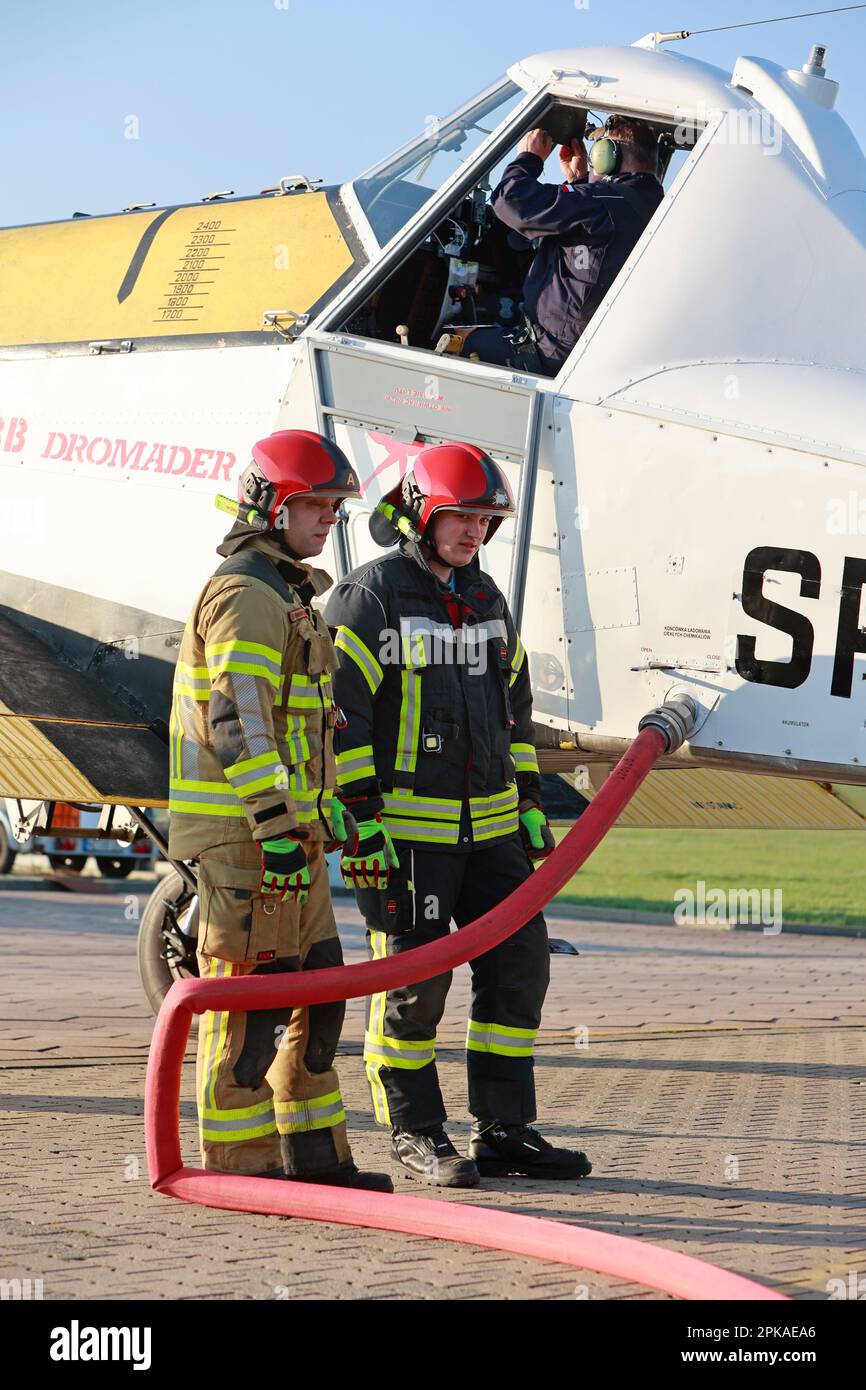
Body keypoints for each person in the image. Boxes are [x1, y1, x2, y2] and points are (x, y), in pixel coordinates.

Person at [325, 442, 592, 1186]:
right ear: (419, 514)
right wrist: (362, 822)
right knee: (414, 986)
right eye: (459, 517)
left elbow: (516, 712)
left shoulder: (486, 600)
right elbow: (340, 720)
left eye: (484, 520)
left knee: (518, 969)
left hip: (495, 836)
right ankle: (415, 1132)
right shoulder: (368, 598)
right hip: (406, 840)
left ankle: (505, 1131)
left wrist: (532, 802)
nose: (474, 532)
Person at [168, 428, 391, 1192]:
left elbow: (305, 728)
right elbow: (239, 719)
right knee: (249, 1016)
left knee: (317, 1000)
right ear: (270, 506)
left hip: (294, 840)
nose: (329, 518)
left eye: (335, 506)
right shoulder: (244, 594)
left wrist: (334, 816)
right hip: (247, 844)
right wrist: (275, 825)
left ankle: (316, 1161)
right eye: (314, 504)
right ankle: (243, 1170)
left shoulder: (291, 595)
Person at [440, 115, 663, 375]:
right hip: (581, 352)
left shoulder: (602, 202)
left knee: (453, 342)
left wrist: (528, 159)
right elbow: (587, 236)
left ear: (608, 155)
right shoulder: (648, 206)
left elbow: (512, 201)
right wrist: (579, 182)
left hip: (549, 351)